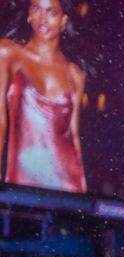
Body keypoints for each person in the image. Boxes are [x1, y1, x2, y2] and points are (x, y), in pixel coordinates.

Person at [0, 0, 86, 193]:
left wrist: (83, 196)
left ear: (63, 20)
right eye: (37, 9)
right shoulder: (8, 53)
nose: (43, 19)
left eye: (51, 12)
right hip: (21, 181)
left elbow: (74, 136)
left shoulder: (75, 74)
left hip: (68, 185)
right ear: (29, 13)